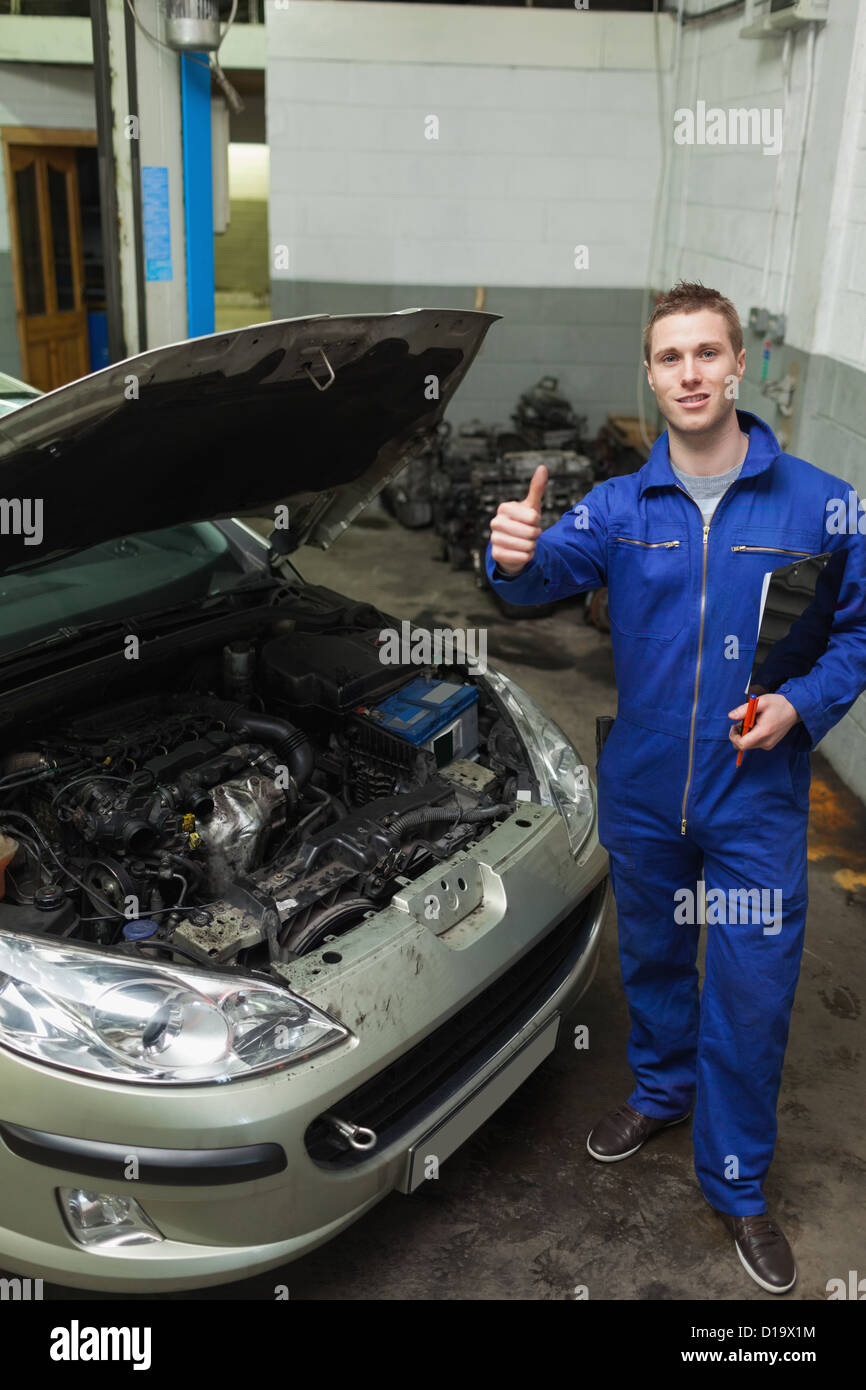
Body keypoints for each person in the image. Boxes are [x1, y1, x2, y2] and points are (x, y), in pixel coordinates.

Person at [485, 280, 866, 1295]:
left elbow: (858, 631)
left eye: (707, 353)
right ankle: (657, 1089)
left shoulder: (821, 503)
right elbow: (532, 581)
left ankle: (736, 1182)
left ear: (737, 366)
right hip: (647, 784)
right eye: (669, 357)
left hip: (754, 790)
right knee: (652, 955)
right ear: (648, 376)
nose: (689, 372)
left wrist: (803, 706)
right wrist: (507, 552)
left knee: (749, 995)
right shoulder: (619, 505)